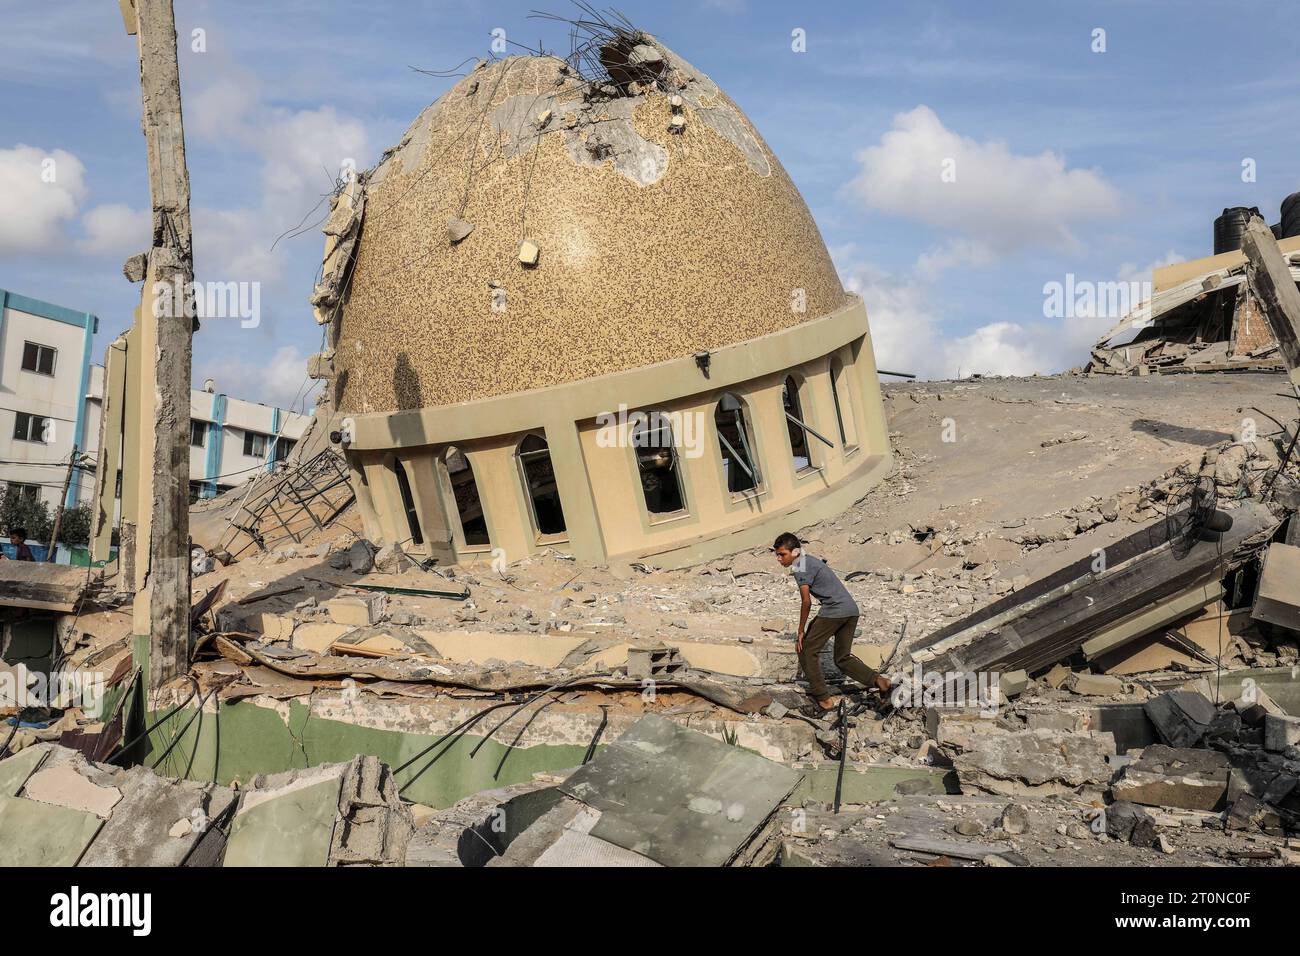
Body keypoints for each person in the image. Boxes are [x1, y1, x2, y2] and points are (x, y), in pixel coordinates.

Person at [773, 531, 889, 713]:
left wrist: (801, 630)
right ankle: (880, 681)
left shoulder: (800, 566)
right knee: (842, 658)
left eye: (782, 554)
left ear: (794, 552)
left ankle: (824, 700)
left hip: (835, 610)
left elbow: (806, 601)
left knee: (806, 650)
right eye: (777, 554)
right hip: (851, 610)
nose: (779, 559)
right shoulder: (809, 560)